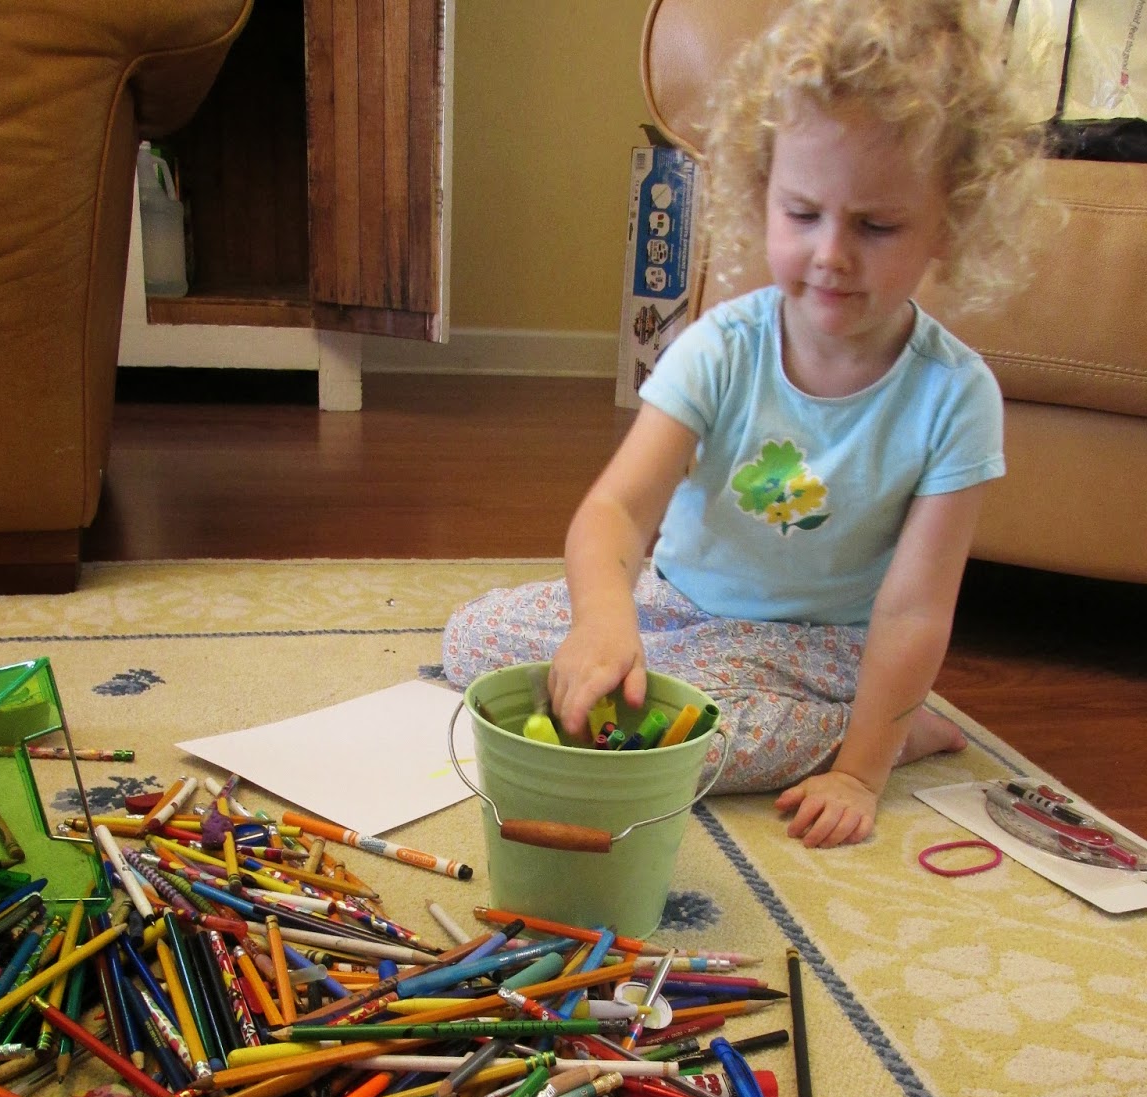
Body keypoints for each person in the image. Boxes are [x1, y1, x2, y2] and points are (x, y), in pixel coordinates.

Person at [442, 0, 1045, 847]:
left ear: (950, 226)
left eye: (875, 226)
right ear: (762, 194)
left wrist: (860, 771)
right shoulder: (721, 348)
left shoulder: (955, 396)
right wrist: (605, 622)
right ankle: (685, 695)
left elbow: (913, 612)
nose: (831, 253)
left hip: (819, 648)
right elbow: (616, 513)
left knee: (686, 741)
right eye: (801, 214)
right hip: (675, 607)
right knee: (473, 638)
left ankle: (893, 733)